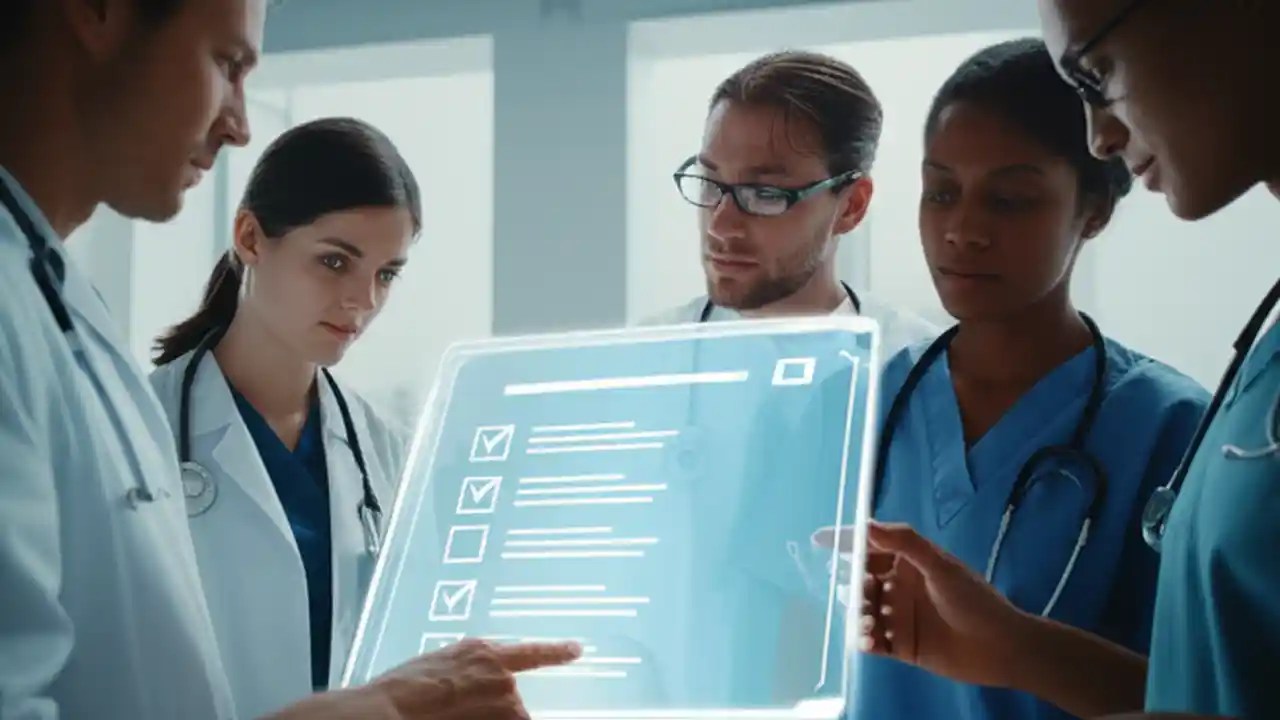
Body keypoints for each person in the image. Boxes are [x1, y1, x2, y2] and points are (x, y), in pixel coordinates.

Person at [0, 1, 578, 719]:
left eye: (387, 274)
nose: (239, 122)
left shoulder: (58, 306)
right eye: (227, 63)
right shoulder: (103, 375)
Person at [841, 3, 1280, 719]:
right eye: (940, 192)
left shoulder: (1170, 425)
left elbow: (1192, 683)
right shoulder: (860, 401)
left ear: (1094, 213)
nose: (962, 231)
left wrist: (1018, 652)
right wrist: (1012, 646)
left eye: (1010, 199)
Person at [147, 116, 417, 718]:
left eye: (386, 274)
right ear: (250, 237)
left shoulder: (384, 450)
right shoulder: (142, 428)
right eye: (334, 262)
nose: (363, 300)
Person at [649, 50, 936, 358]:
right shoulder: (647, 358)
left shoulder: (918, 368)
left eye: (765, 194)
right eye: (709, 183)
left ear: (852, 205)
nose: (720, 227)